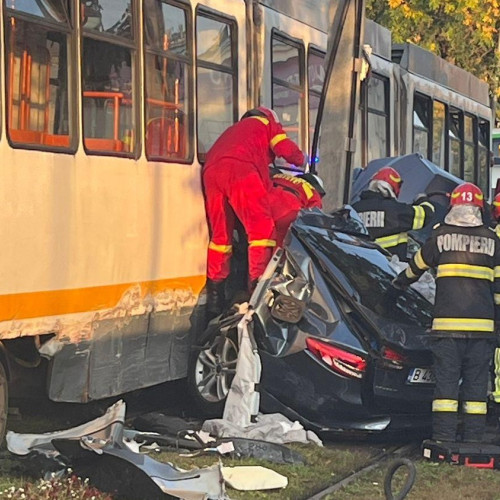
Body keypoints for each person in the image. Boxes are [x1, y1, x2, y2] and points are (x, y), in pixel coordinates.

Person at [393, 182, 500, 443]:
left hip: (446, 330)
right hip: (482, 331)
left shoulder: (439, 238)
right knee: (476, 391)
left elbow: (414, 268)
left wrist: (395, 287)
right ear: (479, 208)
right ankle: (474, 442)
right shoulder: (492, 240)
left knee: (446, 389)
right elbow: (498, 289)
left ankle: (443, 441)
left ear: (452, 206)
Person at [202, 106, 306, 318]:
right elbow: (285, 148)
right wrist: (301, 160)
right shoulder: (267, 124)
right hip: (241, 170)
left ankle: (215, 298)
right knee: (262, 230)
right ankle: (257, 289)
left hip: (211, 172)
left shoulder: (234, 131)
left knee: (221, 238)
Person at [352, 166, 436, 261]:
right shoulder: (395, 210)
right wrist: (422, 199)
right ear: (393, 187)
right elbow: (426, 214)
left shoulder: (354, 209)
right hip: (390, 268)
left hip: (360, 265)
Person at [269, 171, 325, 245]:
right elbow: (314, 222)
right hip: (284, 213)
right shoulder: (313, 193)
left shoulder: (281, 177)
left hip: (259, 203)